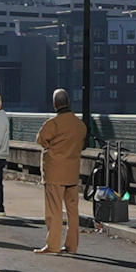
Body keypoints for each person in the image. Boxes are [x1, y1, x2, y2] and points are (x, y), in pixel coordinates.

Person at [37, 88, 87, 255]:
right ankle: (72, 245)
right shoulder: (80, 125)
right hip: (72, 172)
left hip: (54, 172)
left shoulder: (53, 123)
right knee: (73, 211)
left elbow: (41, 140)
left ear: (54, 104)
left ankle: (53, 245)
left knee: (54, 210)